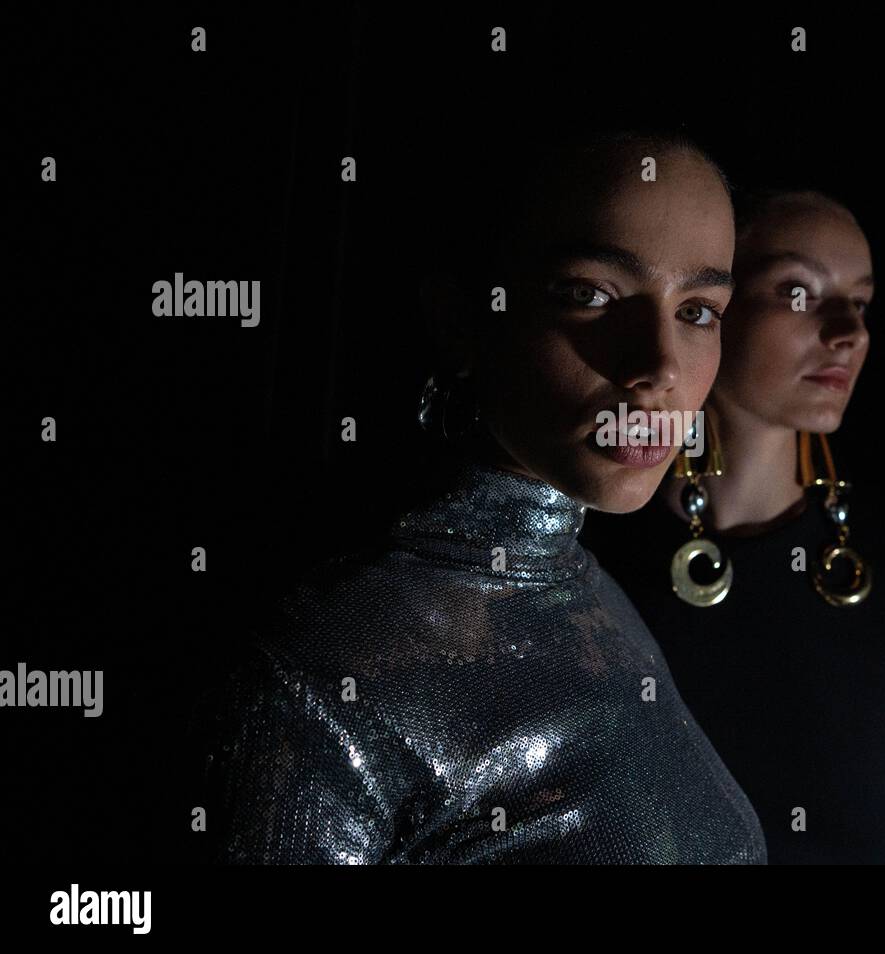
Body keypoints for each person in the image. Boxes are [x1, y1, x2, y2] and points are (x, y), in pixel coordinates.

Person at [194, 129, 767, 864]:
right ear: (460, 318)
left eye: (697, 311)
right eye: (590, 295)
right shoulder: (317, 681)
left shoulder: (585, 596)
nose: (660, 367)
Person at [583, 187, 885, 863]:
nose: (848, 331)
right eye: (798, 292)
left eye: (860, 303)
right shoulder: (574, 543)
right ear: (706, 305)